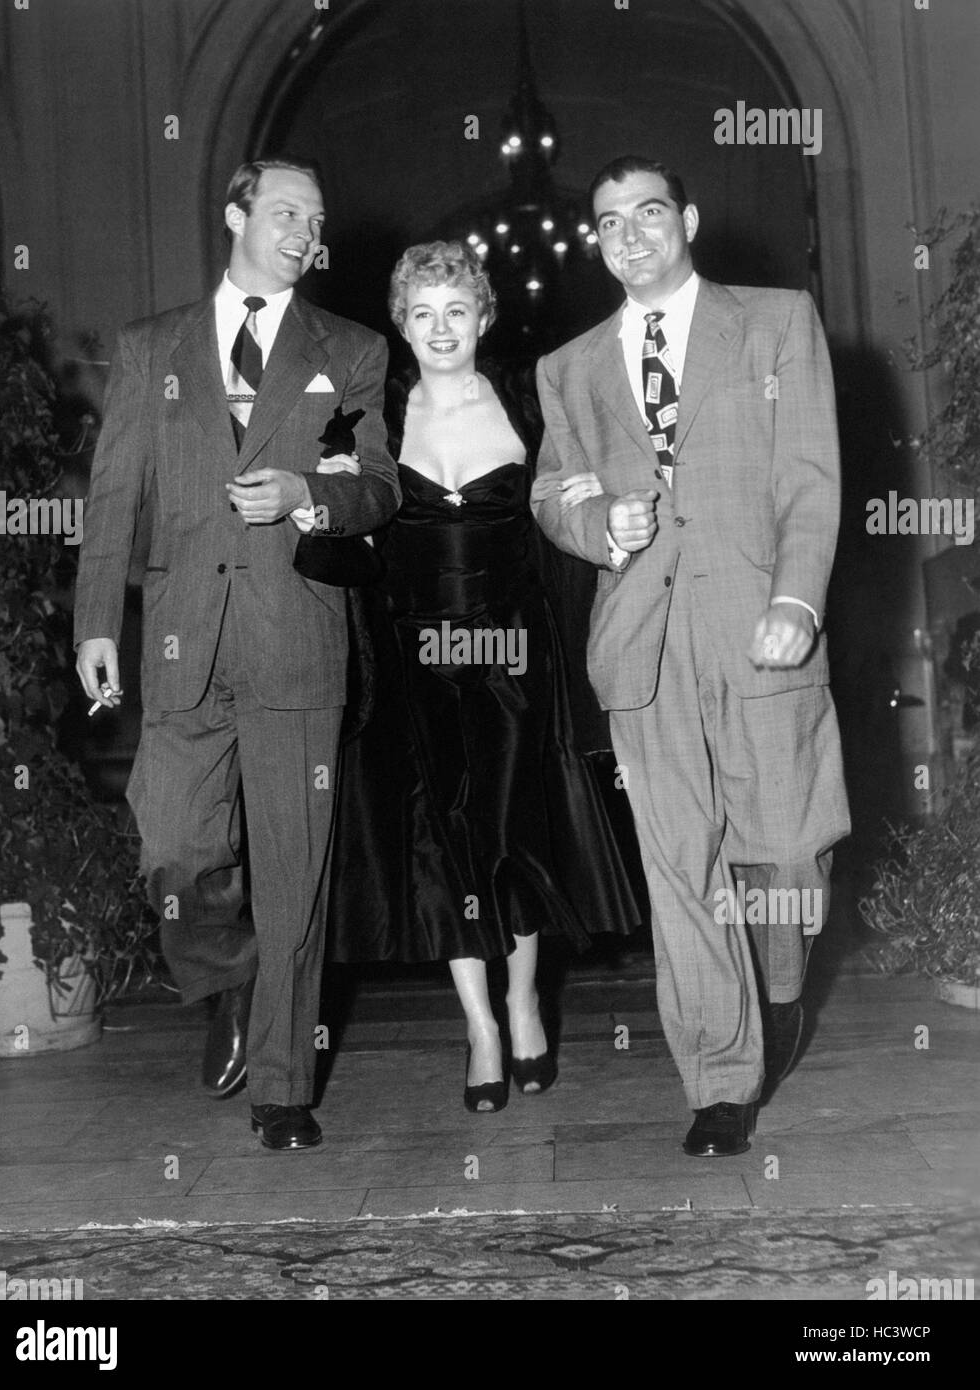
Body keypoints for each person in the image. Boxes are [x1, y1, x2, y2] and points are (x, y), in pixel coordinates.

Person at [74, 159, 400, 1151]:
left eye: (317, 214)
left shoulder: (349, 350)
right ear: (236, 214)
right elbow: (113, 497)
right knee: (172, 841)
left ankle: (284, 1087)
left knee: (294, 873)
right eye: (288, 210)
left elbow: (381, 486)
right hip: (183, 641)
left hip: (295, 636)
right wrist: (95, 622)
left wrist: (308, 491)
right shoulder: (150, 348)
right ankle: (224, 972)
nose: (307, 228)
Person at [531, 156, 850, 1156]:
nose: (630, 233)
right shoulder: (569, 367)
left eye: (649, 212)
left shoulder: (775, 321)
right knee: (680, 868)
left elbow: (810, 475)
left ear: (689, 220)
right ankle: (718, 1077)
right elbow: (553, 493)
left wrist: (797, 598)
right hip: (643, 646)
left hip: (760, 625)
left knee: (788, 846)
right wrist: (599, 524)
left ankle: (784, 982)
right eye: (609, 219)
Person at [319, 241, 639, 1112]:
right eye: (421, 313)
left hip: (511, 648)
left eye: (455, 308)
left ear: (484, 314)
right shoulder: (373, 412)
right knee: (442, 837)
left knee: (510, 826)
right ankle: (482, 1028)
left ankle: (525, 1002)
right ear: (401, 324)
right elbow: (337, 525)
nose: (440, 327)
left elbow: (574, 503)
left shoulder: (531, 398)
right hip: (414, 655)